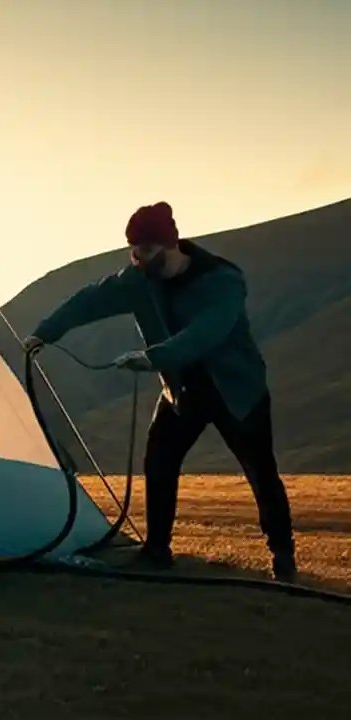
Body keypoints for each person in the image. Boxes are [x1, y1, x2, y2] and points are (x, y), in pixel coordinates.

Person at [23, 201, 297, 582]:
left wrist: (153, 357)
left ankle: (282, 555)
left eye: (144, 250)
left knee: (260, 471)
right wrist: (44, 332)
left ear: (169, 245)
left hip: (235, 390)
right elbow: (91, 299)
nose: (136, 258)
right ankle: (157, 550)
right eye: (133, 251)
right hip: (182, 391)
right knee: (159, 461)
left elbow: (205, 334)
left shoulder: (222, 281)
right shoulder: (139, 280)